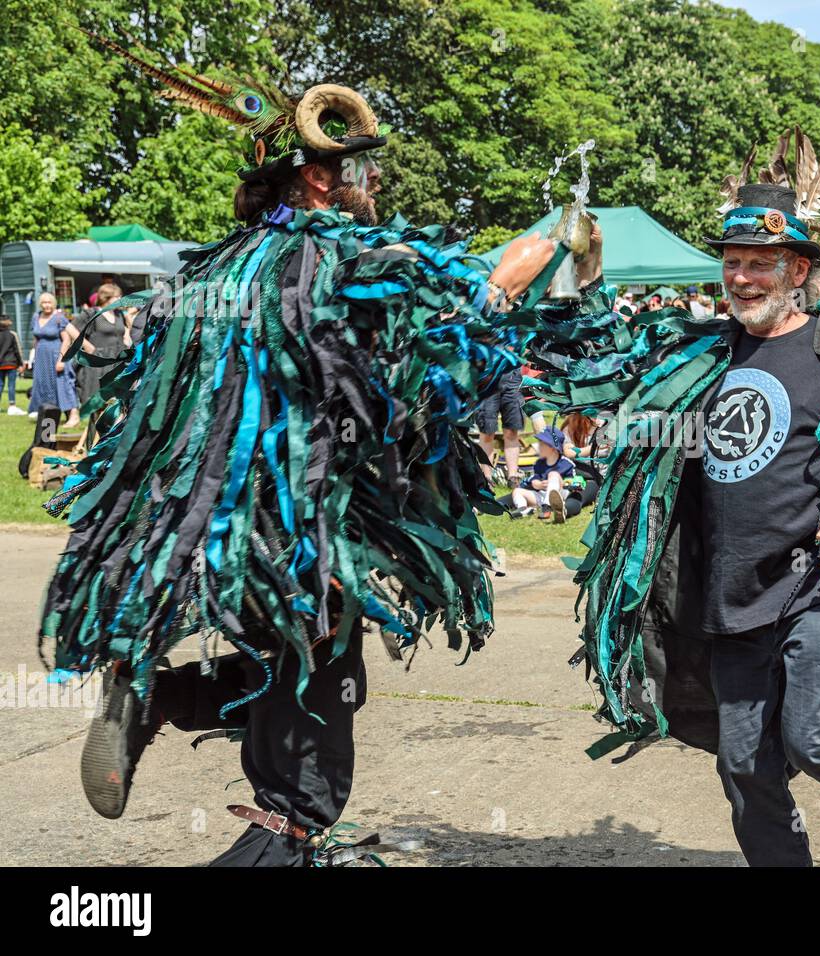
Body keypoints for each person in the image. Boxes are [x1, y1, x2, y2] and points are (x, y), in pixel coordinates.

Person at [44, 43, 563, 866]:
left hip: (221, 542)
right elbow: (418, 383)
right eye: (357, 169)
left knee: (273, 682)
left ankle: (159, 696)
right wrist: (498, 291)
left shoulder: (213, 271)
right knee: (309, 761)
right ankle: (270, 833)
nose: (371, 186)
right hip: (307, 546)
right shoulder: (338, 264)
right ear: (316, 178)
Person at [530, 129, 820, 867]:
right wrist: (569, 280)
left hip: (817, 585)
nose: (741, 278)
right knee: (744, 768)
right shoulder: (701, 357)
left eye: (759, 264)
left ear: (798, 269)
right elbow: (608, 373)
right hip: (729, 594)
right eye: (732, 262)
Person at [71, 282, 132, 419]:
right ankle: (95, 435)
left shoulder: (119, 314)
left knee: (118, 400)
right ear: (106, 297)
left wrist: (126, 339)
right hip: (99, 361)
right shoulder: (91, 313)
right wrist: (87, 346)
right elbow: (71, 328)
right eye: (117, 296)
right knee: (97, 401)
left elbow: (125, 331)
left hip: (118, 360)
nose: (120, 299)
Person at [27, 292, 80, 429]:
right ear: (40, 304)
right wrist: (31, 358)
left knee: (63, 384)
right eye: (44, 302)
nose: (47, 305)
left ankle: (74, 416)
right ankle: (49, 415)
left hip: (56, 355)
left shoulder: (58, 318)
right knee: (44, 385)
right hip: (41, 358)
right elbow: (36, 339)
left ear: (54, 303)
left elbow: (67, 339)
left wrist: (61, 360)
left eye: (49, 302)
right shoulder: (36, 317)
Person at [509, 425, 576, 522]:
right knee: (517, 491)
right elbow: (533, 478)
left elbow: (575, 484)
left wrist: (560, 483)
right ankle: (523, 509)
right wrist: (536, 483)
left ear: (553, 448)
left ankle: (547, 507)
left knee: (553, 474)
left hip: (560, 496)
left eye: (542, 444)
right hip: (542, 495)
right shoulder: (539, 463)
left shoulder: (567, 464)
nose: (538, 446)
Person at [476, 367, 525, 485]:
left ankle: (512, 477)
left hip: (512, 378)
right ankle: (487, 478)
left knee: (512, 431)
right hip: (488, 377)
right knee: (487, 432)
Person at [0, 314, 23, 415]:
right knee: (11, 385)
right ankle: (12, 406)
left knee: (0, 385)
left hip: (0, 364)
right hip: (11, 363)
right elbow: (18, 350)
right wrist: (21, 364)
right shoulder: (12, 334)